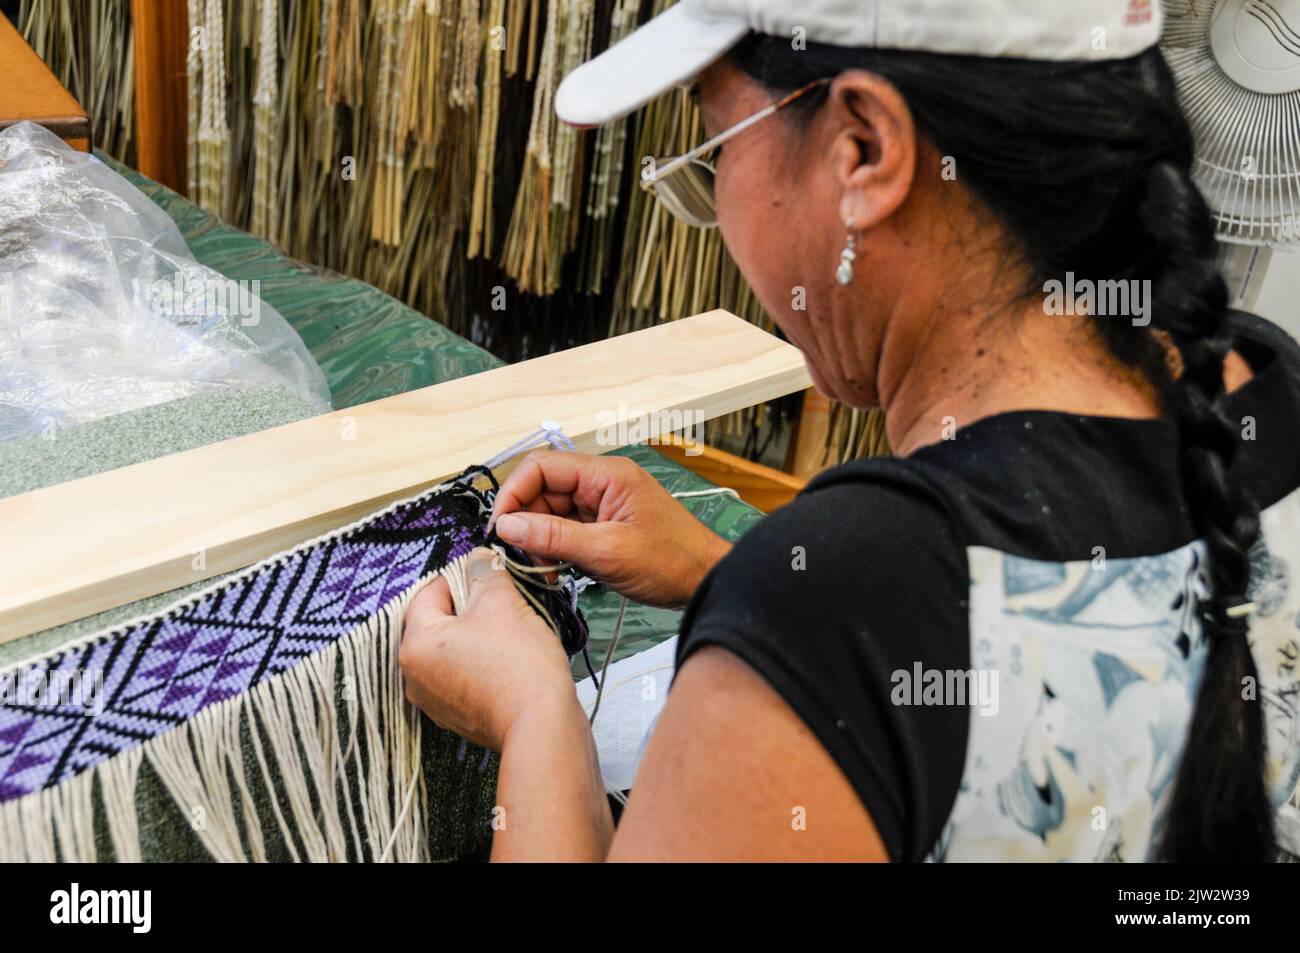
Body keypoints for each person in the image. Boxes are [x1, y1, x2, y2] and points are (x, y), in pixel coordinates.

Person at [398, 0, 1300, 861]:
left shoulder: (848, 600)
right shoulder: (1260, 393)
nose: (722, 223)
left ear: (864, 148)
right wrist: (726, 579)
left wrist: (533, 716)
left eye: (714, 154)